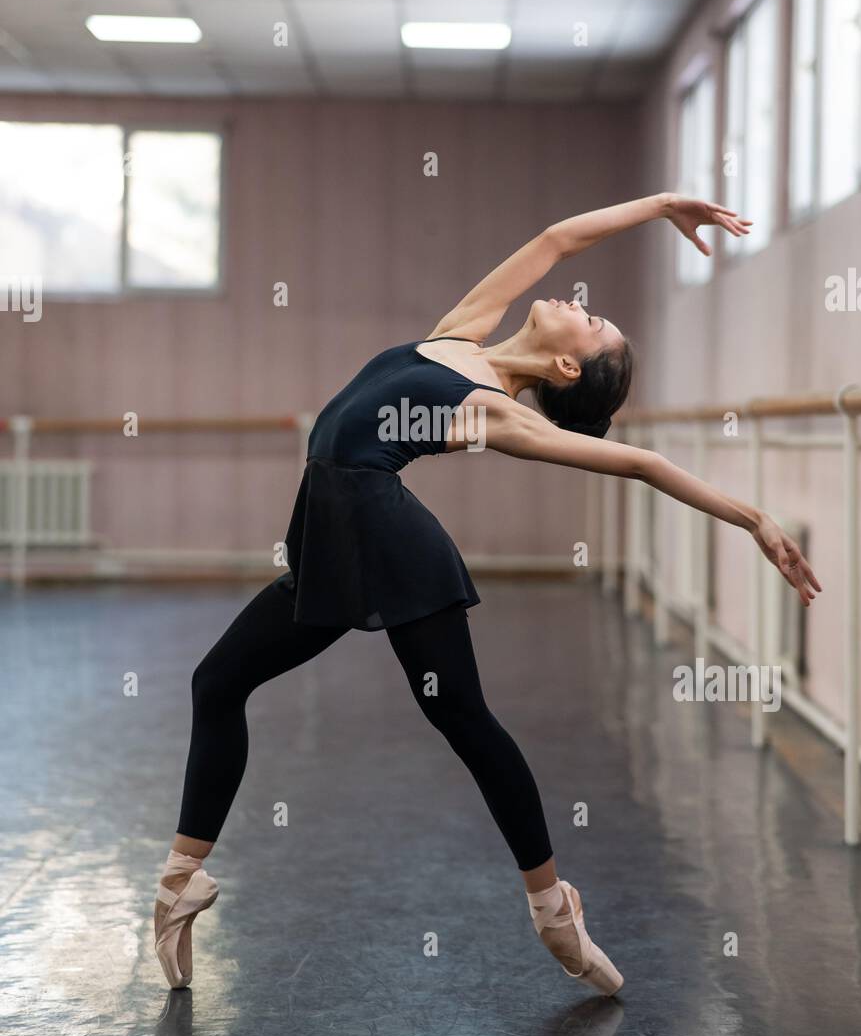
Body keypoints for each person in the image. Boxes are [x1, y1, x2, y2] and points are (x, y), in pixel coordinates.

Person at [153, 192, 821, 994]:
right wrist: (664, 205)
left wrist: (752, 518)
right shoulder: (459, 333)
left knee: (463, 719)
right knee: (218, 683)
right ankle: (178, 883)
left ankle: (552, 910)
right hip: (334, 541)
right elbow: (556, 238)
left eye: (595, 322)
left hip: (391, 543)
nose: (581, 304)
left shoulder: (498, 415)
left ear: (568, 366)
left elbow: (644, 464)